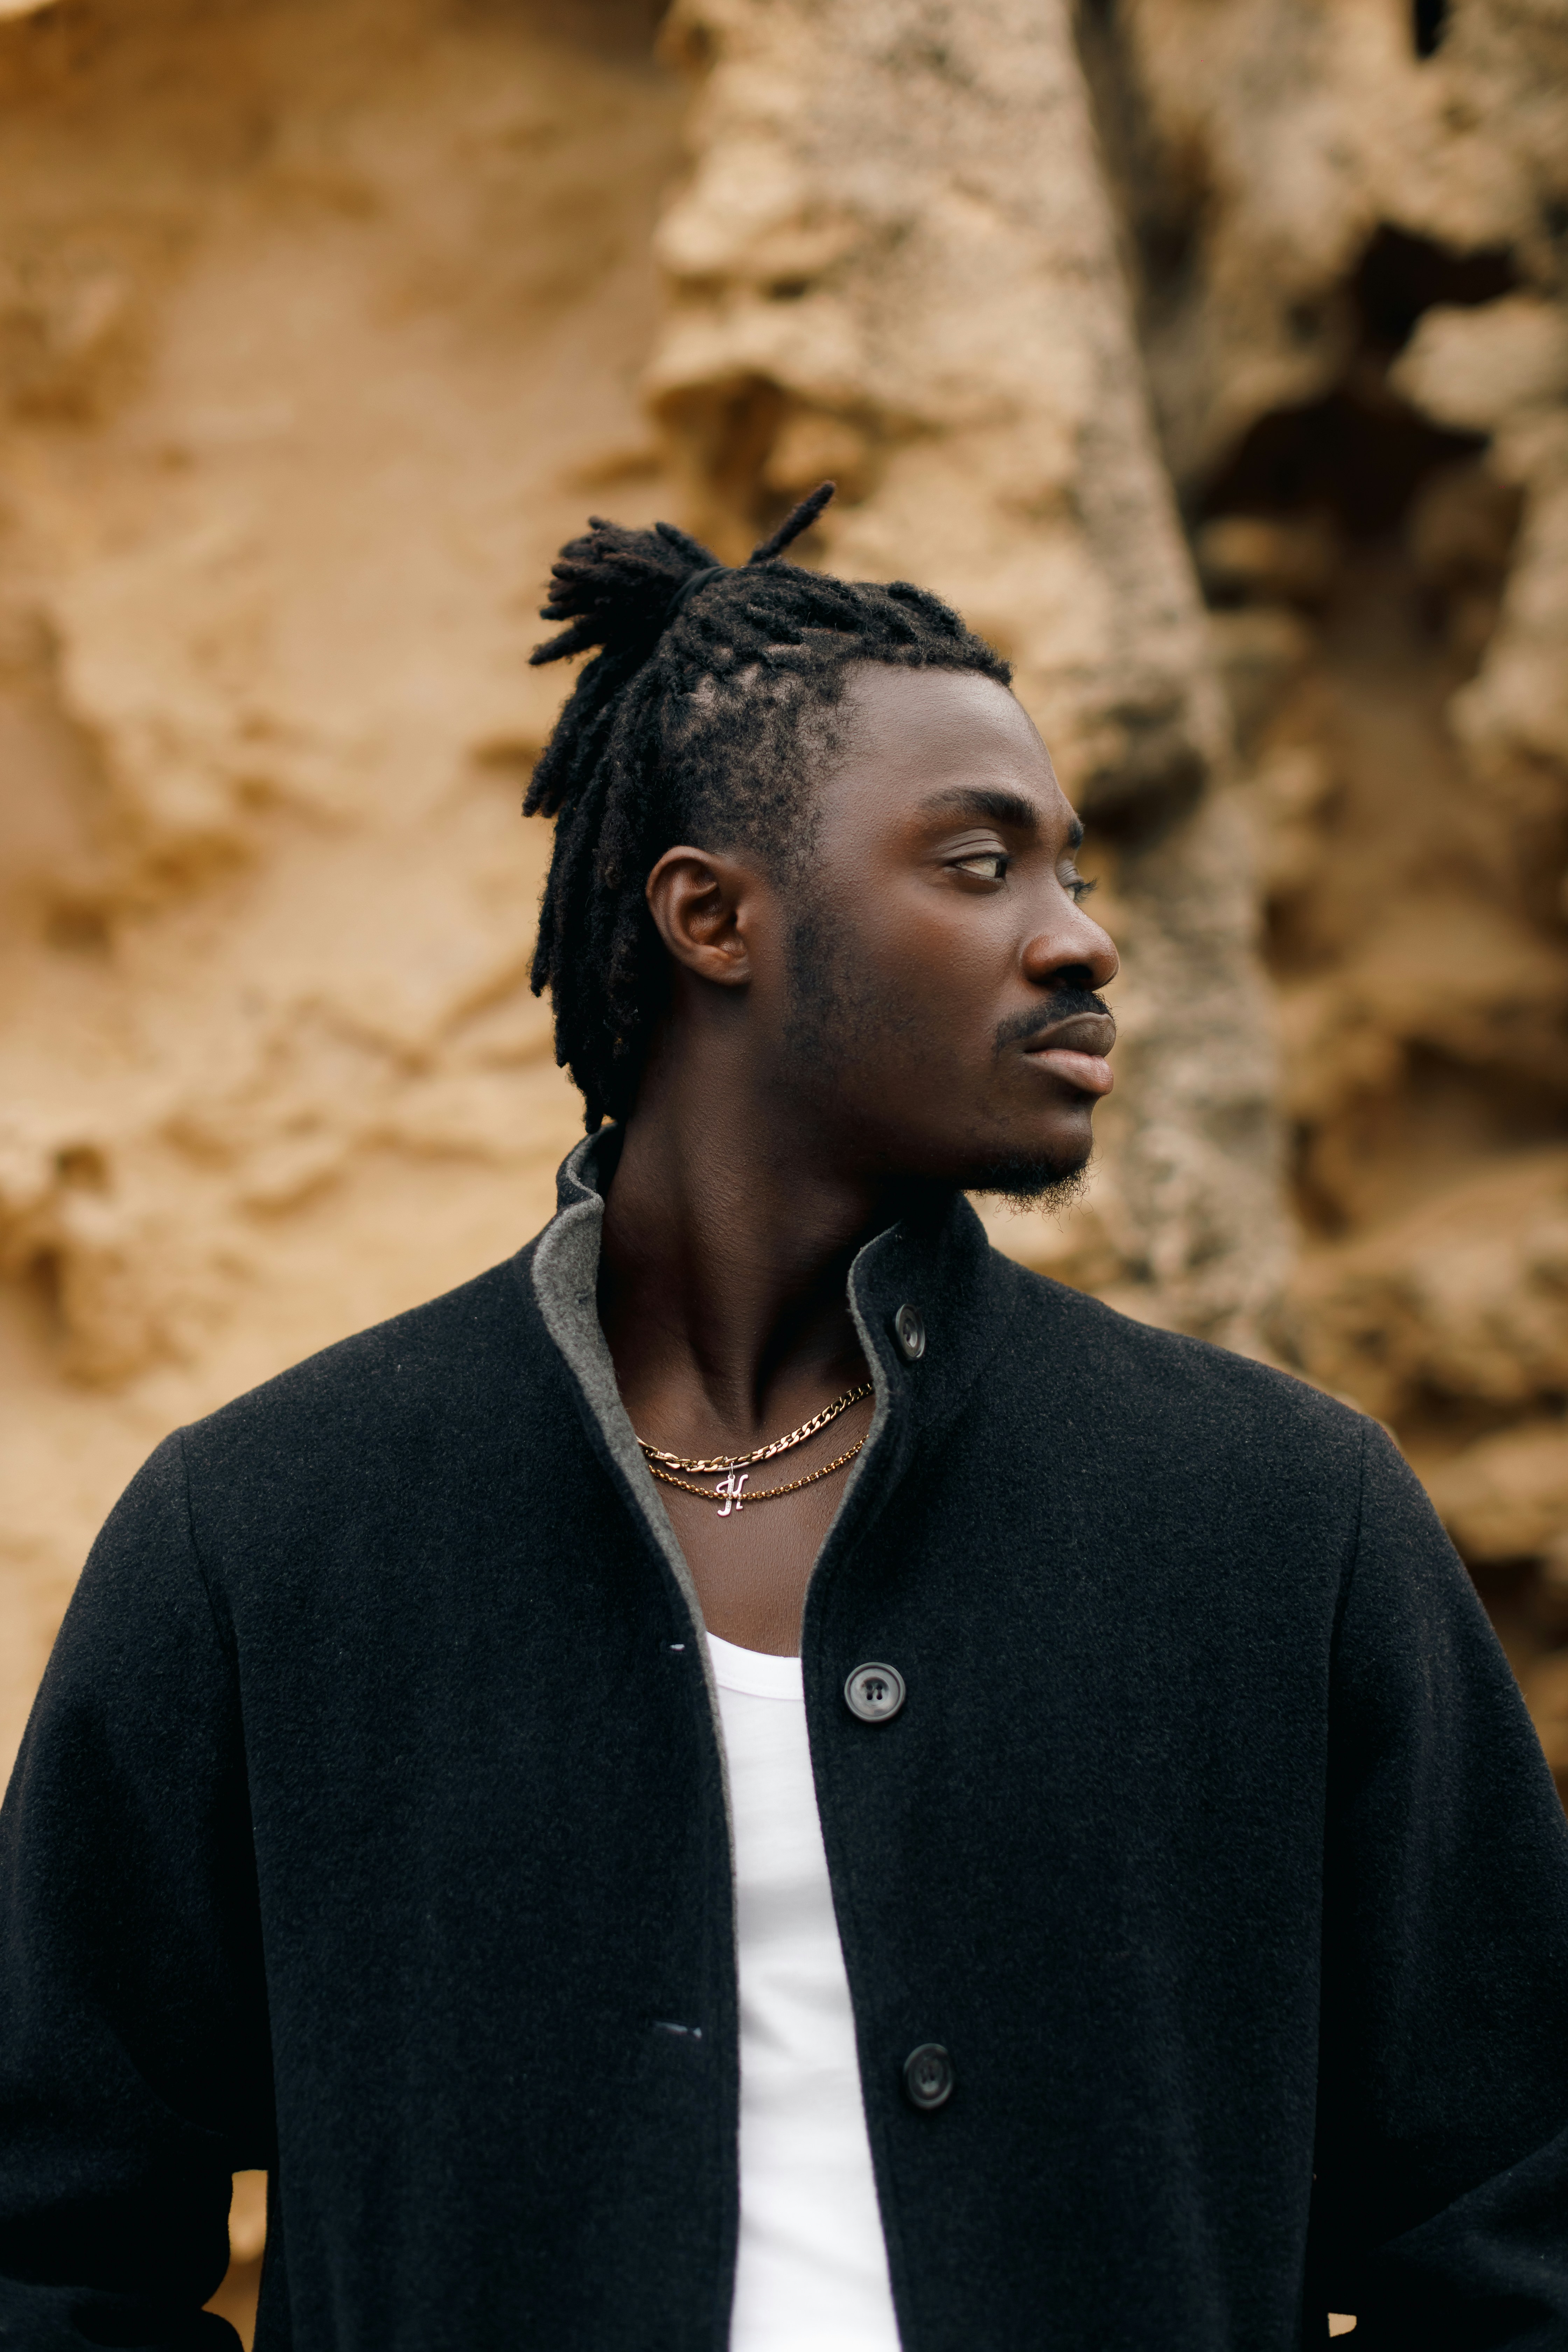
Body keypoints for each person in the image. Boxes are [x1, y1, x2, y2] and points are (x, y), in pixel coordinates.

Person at [1, 486, 1565, 2352]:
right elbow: (52, 2244)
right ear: (712, 917)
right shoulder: (272, 1535)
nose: (1079, 943)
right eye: (979, 864)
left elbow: (1510, 2226)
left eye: (1074, 871)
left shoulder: (1281, 1523)